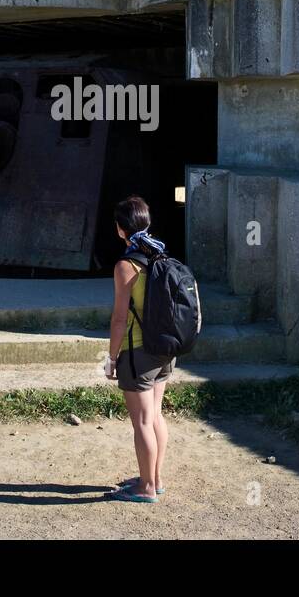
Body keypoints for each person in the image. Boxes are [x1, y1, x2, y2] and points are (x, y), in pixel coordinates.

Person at [105, 194, 171, 503]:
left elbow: (120, 319)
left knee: (142, 421)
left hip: (139, 352)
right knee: (155, 416)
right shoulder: (160, 255)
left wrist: (111, 358)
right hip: (164, 348)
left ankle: (145, 489)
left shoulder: (126, 265)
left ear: (121, 229)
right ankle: (154, 478)